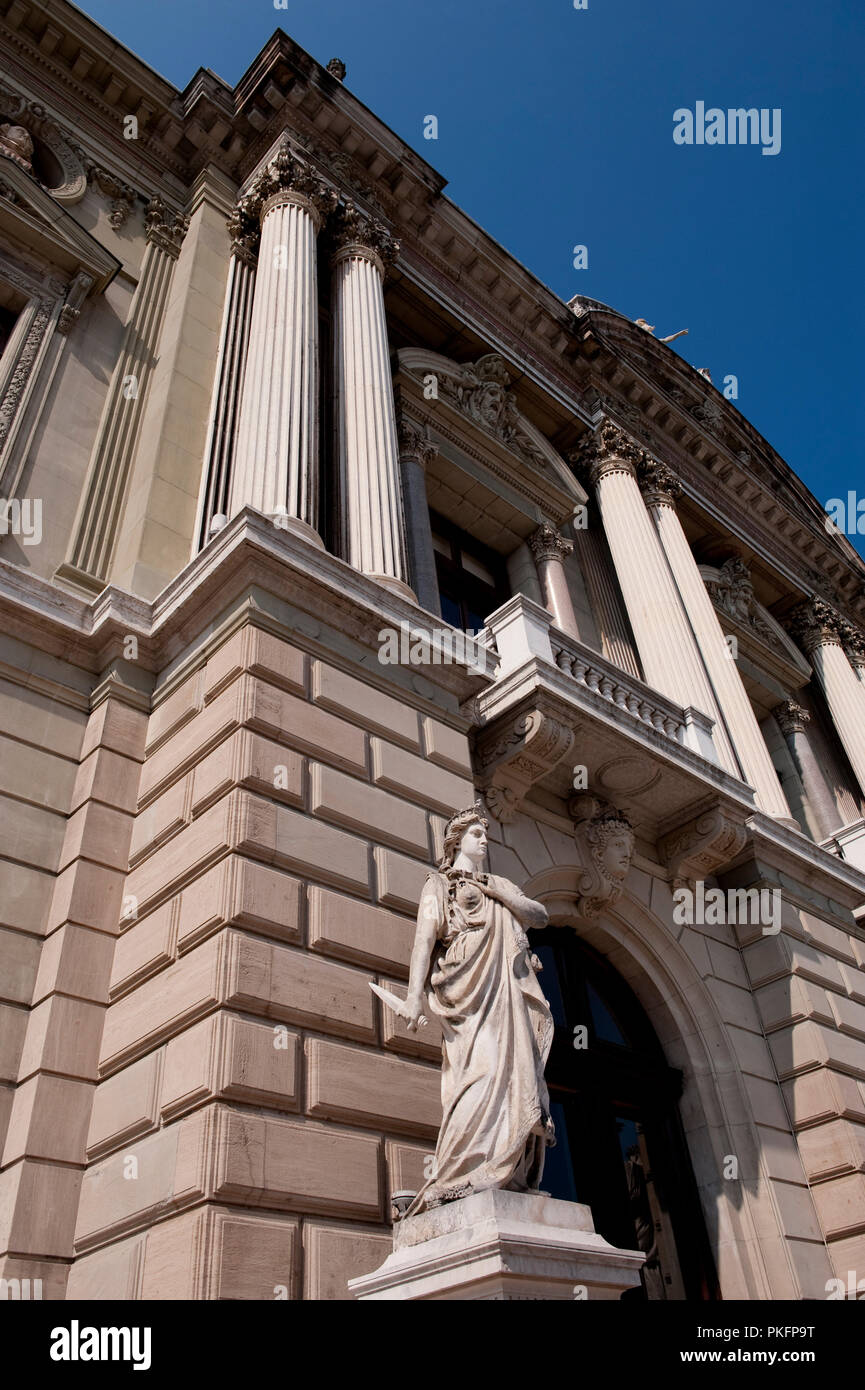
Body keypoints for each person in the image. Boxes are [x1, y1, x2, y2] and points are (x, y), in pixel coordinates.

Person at [403, 802, 555, 1216]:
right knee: (477, 1074)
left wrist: (502, 893)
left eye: (485, 834)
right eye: (476, 834)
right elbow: (424, 939)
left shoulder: (498, 882)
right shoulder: (438, 884)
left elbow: (538, 916)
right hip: (466, 991)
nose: (484, 840)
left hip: (503, 989)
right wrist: (415, 994)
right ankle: (464, 1168)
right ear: (456, 842)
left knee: (514, 1070)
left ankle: (508, 1168)